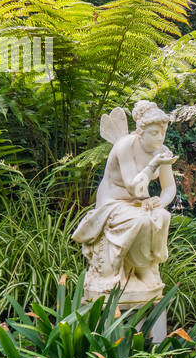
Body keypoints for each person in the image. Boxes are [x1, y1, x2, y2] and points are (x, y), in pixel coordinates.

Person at [72, 100, 177, 302]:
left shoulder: (161, 150)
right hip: (113, 200)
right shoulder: (125, 146)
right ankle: (116, 270)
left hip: (139, 201)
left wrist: (159, 202)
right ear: (140, 132)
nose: (159, 138)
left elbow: (169, 187)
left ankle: (144, 268)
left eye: (162, 133)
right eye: (154, 133)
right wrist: (154, 164)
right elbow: (133, 186)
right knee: (139, 221)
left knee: (161, 216)